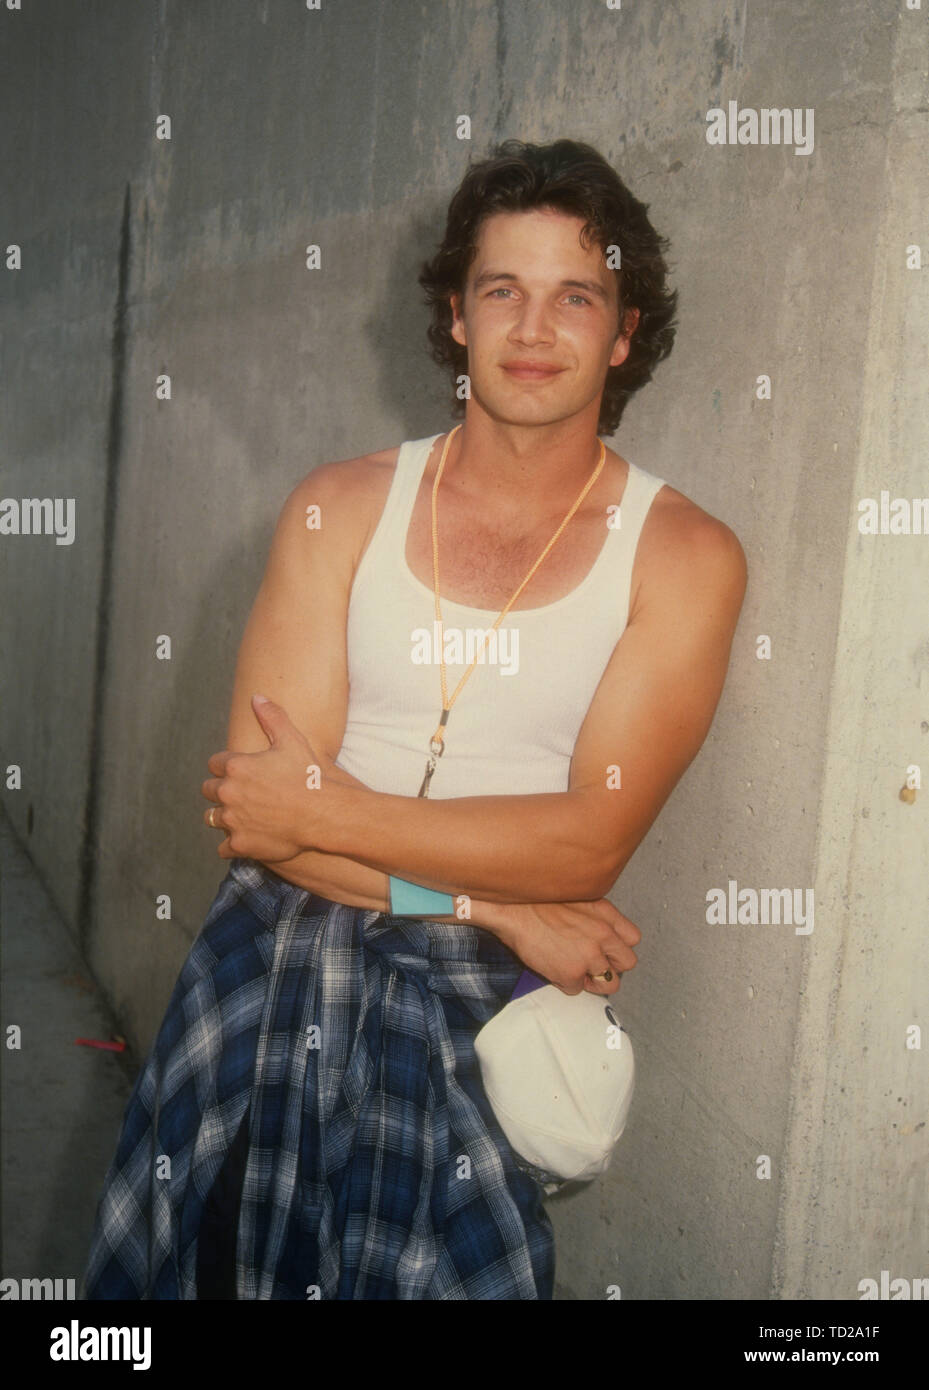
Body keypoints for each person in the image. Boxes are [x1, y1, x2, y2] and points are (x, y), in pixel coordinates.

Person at [83, 137, 747, 1301]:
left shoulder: (682, 556)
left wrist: (331, 803)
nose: (533, 330)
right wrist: (499, 899)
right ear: (453, 315)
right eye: (502, 290)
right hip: (272, 970)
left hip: (473, 1011)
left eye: (574, 297)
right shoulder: (337, 511)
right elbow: (259, 821)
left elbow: (584, 845)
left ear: (624, 329)